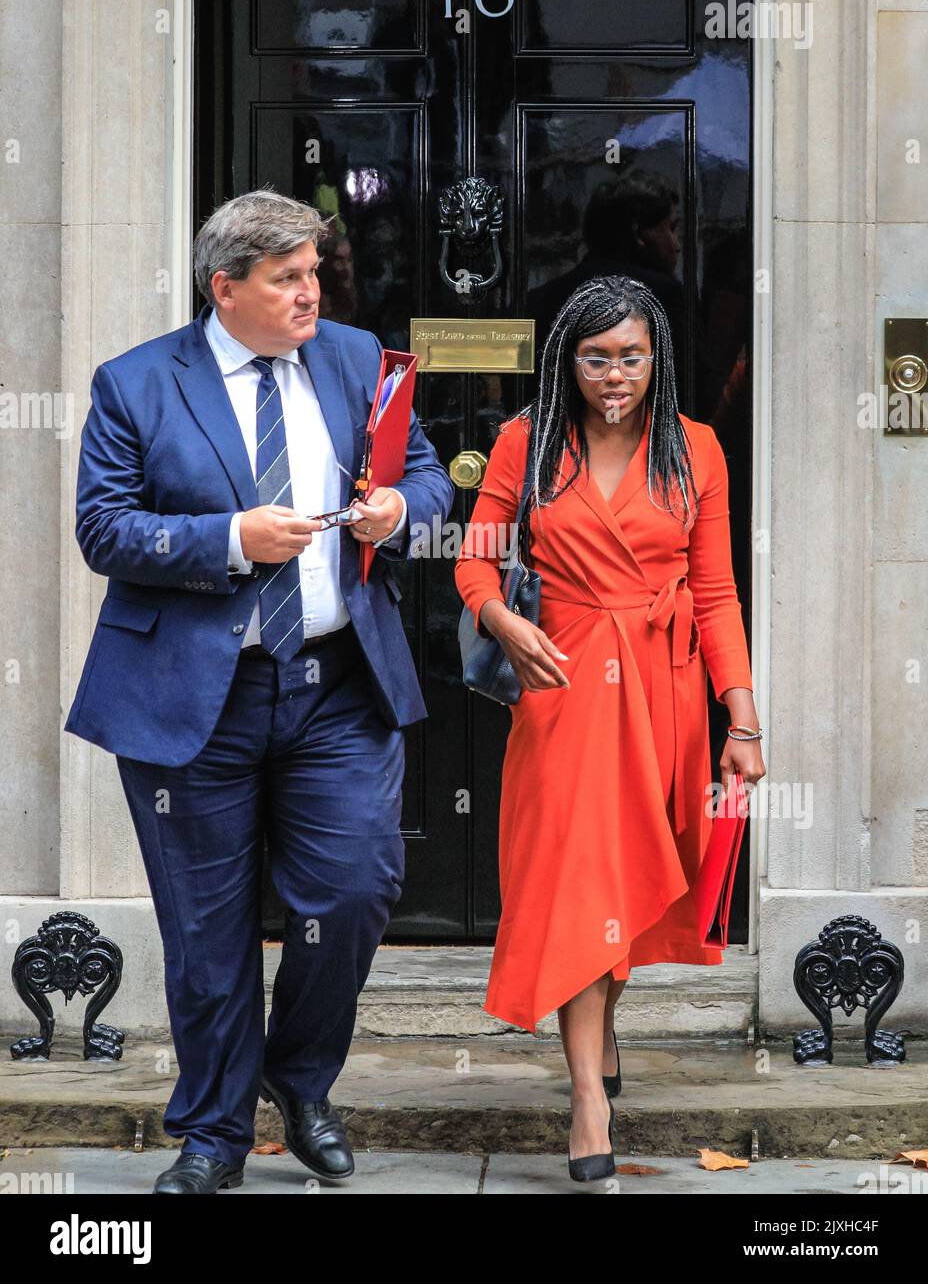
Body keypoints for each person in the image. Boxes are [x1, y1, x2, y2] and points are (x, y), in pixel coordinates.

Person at [64, 188, 455, 1193]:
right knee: (208, 926)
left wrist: (397, 510)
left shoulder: (358, 357)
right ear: (223, 286)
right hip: (193, 698)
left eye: (315, 272)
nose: (310, 293)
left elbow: (425, 476)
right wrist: (229, 541)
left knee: (356, 886)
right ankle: (212, 1132)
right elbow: (104, 528)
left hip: (335, 685)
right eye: (287, 278)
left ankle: (301, 1076)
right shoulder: (138, 383)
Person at [454, 275, 765, 1182]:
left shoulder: (697, 450)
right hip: (565, 682)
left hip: (664, 691)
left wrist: (741, 718)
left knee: (628, 874)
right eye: (597, 359)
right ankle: (587, 1095)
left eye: (632, 357)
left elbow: (714, 593)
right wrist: (506, 623)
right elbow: (475, 564)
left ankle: (603, 1028)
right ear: (567, 362)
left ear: (655, 358)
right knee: (576, 878)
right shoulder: (525, 441)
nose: (616, 376)